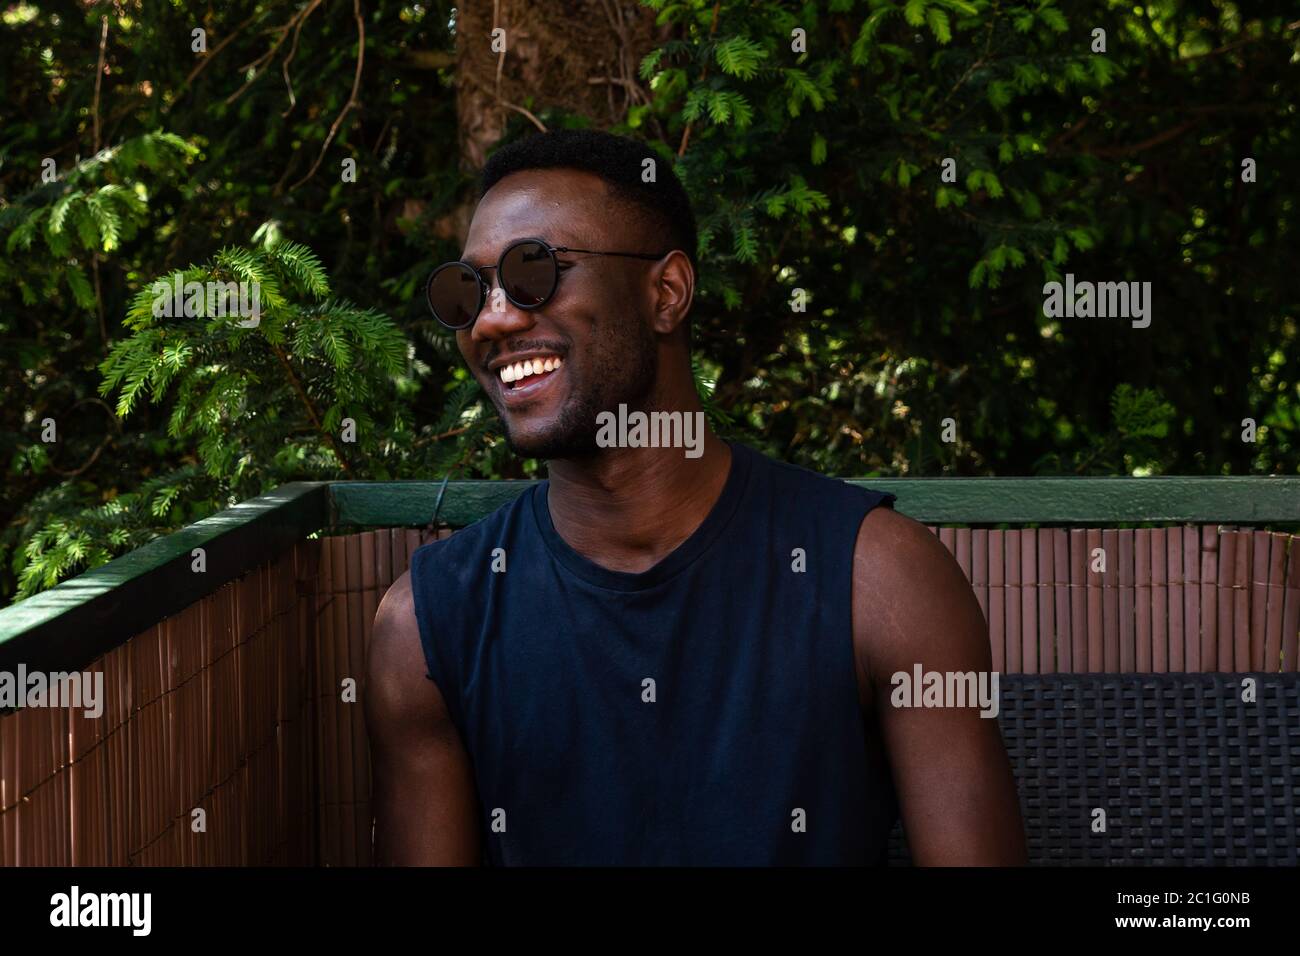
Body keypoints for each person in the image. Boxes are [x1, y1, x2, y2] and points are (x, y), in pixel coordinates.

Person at [364, 129, 1026, 865]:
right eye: (467, 290)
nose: (493, 319)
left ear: (667, 293)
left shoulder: (877, 579)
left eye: (534, 272)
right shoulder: (428, 624)